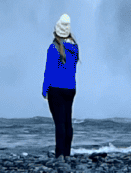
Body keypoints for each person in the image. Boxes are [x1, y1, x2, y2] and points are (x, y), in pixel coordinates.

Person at [40, 13, 80, 158]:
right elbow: (73, 69)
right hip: (70, 88)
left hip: (56, 89)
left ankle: (59, 154)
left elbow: (49, 71)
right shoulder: (75, 48)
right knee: (67, 121)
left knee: (59, 122)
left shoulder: (53, 48)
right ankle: (67, 153)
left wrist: (45, 90)